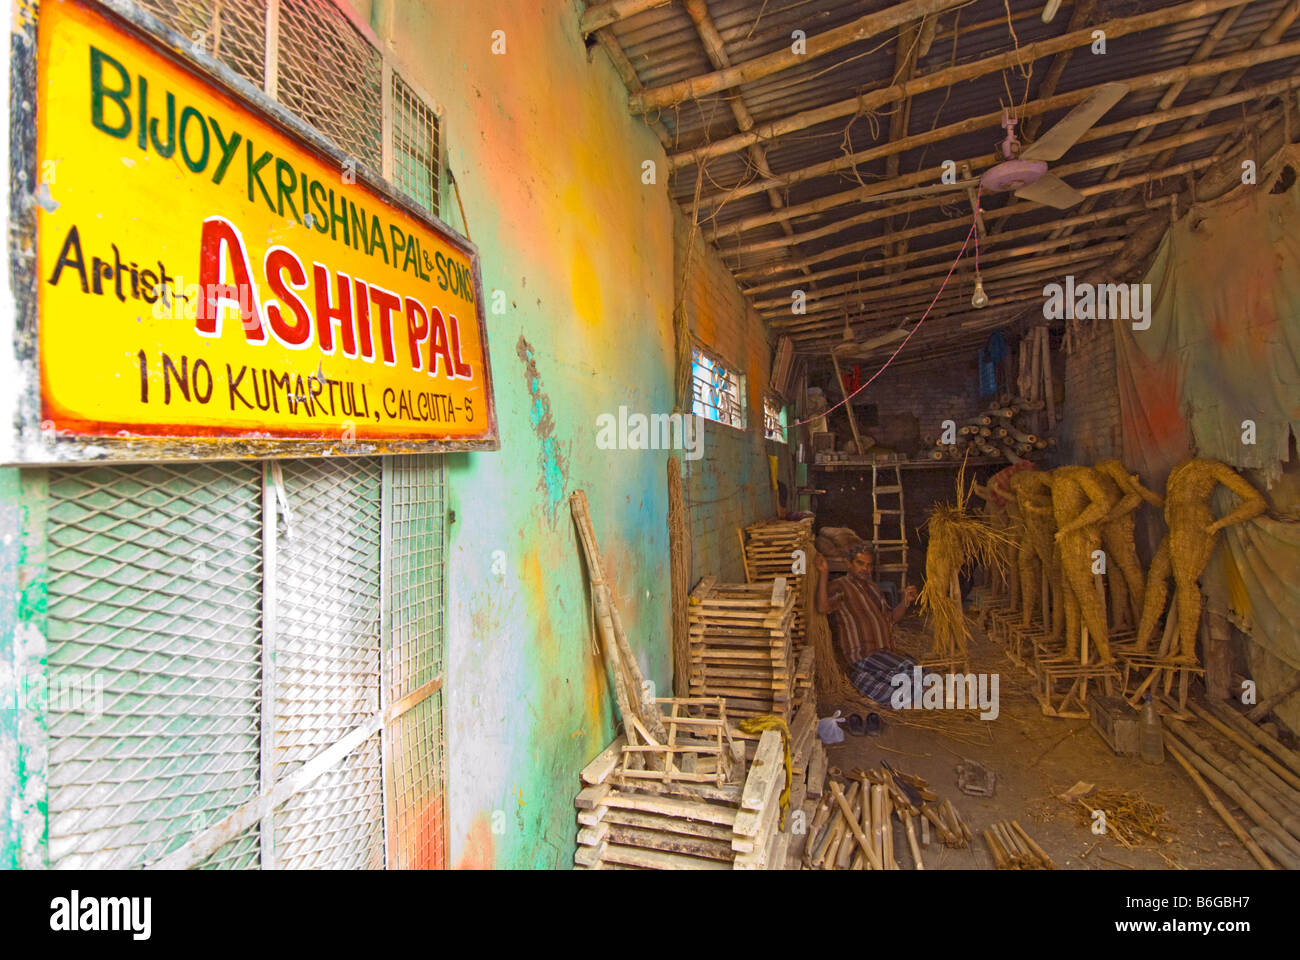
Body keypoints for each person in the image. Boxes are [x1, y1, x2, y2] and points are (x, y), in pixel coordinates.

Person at [814, 546, 918, 663]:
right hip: (864, 658)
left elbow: (891, 618)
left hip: (886, 654)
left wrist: (906, 601)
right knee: (910, 672)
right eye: (860, 563)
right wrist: (824, 574)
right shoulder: (840, 586)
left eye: (869, 565)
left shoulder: (873, 588)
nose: (865, 568)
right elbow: (823, 607)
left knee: (916, 669)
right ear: (848, 563)